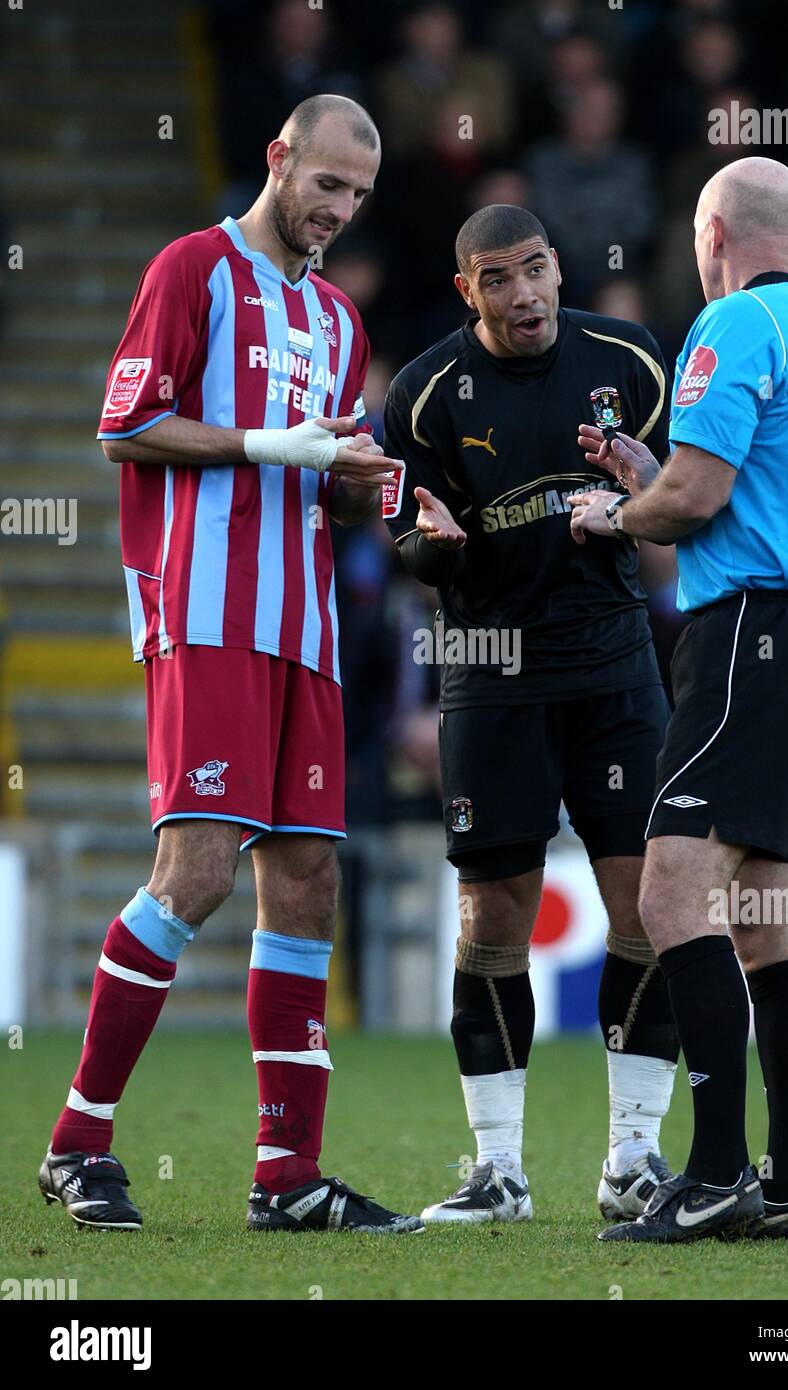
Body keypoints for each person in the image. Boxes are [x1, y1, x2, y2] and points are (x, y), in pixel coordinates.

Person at [39, 95, 423, 1237]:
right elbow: (124, 424)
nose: (338, 210)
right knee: (198, 869)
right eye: (326, 185)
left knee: (306, 878)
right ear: (279, 158)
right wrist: (262, 444)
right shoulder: (192, 269)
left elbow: (328, 478)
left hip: (304, 627)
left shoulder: (342, 322)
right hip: (202, 609)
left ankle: (287, 1175)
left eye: (357, 195)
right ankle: (78, 1143)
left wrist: (361, 483)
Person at [571, 156, 788, 1243]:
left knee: (670, 897)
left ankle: (710, 1174)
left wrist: (613, 514)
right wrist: (652, 476)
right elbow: (730, 489)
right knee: (770, 920)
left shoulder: (731, 326)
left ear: (712, 232)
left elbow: (695, 500)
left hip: (748, 638)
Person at [383, 203, 679, 1224]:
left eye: (537, 270)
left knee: (646, 908)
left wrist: (640, 494)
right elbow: (408, 543)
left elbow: (677, 505)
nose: (524, 295)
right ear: (468, 292)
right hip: (490, 674)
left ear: (558, 270)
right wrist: (435, 546)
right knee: (493, 919)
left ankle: (634, 1159)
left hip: (614, 670)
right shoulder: (422, 396)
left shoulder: (630, 359)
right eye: (498, 279)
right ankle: (497, 1169)